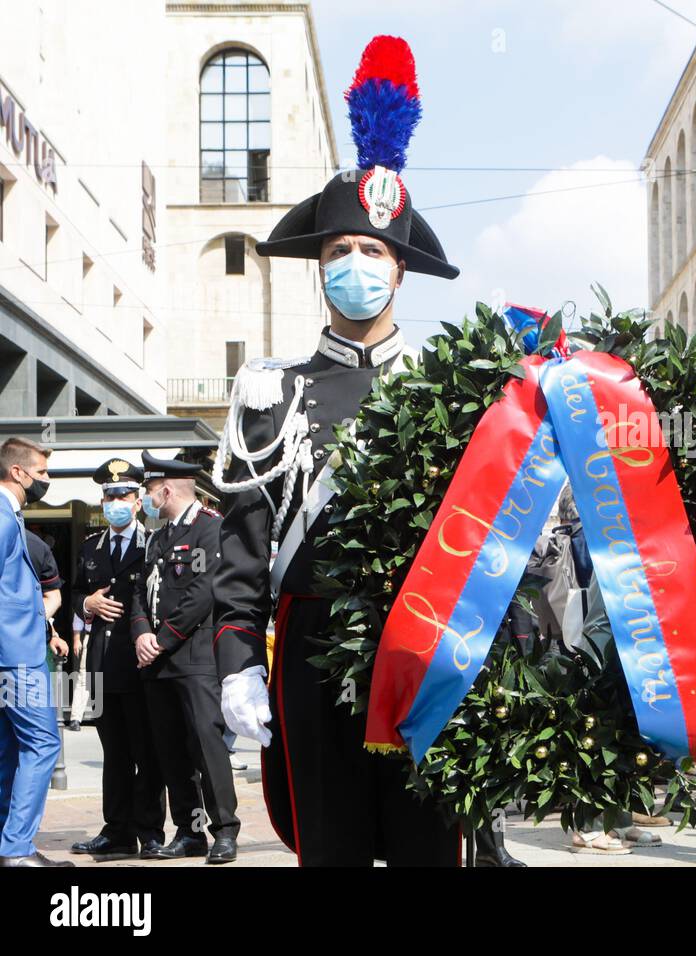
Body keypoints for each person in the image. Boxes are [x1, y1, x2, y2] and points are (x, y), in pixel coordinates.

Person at [212, 36, 462, 867]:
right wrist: (239, 665)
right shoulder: (269, 392)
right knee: (331, 851)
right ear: (319, 268)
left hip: (425, 653)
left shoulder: (451, 389)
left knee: (428, 850)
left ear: (402, 271)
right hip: (313, 656)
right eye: (338, 252)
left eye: (373, 251)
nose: (355, 265)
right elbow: (245, 556)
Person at [130, 451, 239, 864]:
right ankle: (190, 832)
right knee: (171, 752)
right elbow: (140, 590)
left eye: (148, 490)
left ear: (166, 488)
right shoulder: (158, 537)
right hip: (157, 662)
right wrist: (141, 632)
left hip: (193, 658)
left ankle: (224, 830)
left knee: (205, 747)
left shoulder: (211, 529)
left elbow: (203, 592)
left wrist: (161, 638)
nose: (147, 497)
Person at [69, 459, 166, 859]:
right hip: (102, 665)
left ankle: (151, 831)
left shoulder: (154, 543)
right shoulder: (92, 546)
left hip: (140, 662)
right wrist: (86, 603)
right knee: (114, 754)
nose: (116, 502)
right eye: (110, 496)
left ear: (139, 500)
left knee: (148, 752)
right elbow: (73, 597)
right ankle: (117, 830)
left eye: (123, 495)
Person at [0, 436, 72, 866]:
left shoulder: (11, 515)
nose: (45, 480)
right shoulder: (5, 520)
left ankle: (8, 843)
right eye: (41, 473)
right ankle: (17, 849)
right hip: (16, 657)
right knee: (43, 743)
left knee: (11, 747)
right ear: (18, 472)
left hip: (13, 654)